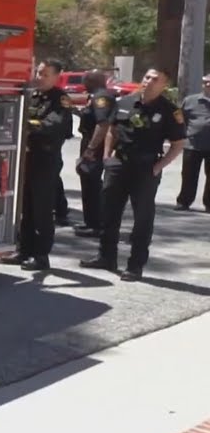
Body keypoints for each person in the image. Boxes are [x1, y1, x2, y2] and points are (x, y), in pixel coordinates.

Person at [80, 67, 186, 281]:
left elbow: (177, 144)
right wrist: (107, 156)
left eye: (156, 79)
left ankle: (135, 265)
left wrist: (158, 167)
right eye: (147, 77)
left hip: (145, 168)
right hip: (118, 164)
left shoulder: (169, 110)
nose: (149, 81)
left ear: (164, 85)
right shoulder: (125, 102)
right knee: (109, 212)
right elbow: (112, 129)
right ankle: (106, 256)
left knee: (142, 218)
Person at [1, 59, 73, 271]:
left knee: (42, 209)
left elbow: (55, 125)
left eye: (45, 74)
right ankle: (24, 250)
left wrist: (28, 125)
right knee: (25, 208)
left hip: (46, 159)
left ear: (56, 76)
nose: (39, 77)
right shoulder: (32, 96)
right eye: (38, 73)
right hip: (27, 158)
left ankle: (41, 256)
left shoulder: (61, 100)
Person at [72, 70, 117, 238]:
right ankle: (90, 221)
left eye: (85, 81)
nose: (83, 84)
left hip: (95, 144)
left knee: (92, 183)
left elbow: (103, 124)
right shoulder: (96, 96)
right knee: (87, 181)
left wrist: (91, 149)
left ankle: (96, 224)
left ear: (92, 81)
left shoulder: (101, 98)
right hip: (90, 141)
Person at [174, 73, 210, 211]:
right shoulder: (190, 101)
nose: (207, 85)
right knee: (188, 175)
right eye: (205, 82)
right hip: (192, 145)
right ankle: (184, 201)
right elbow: (180, 119)